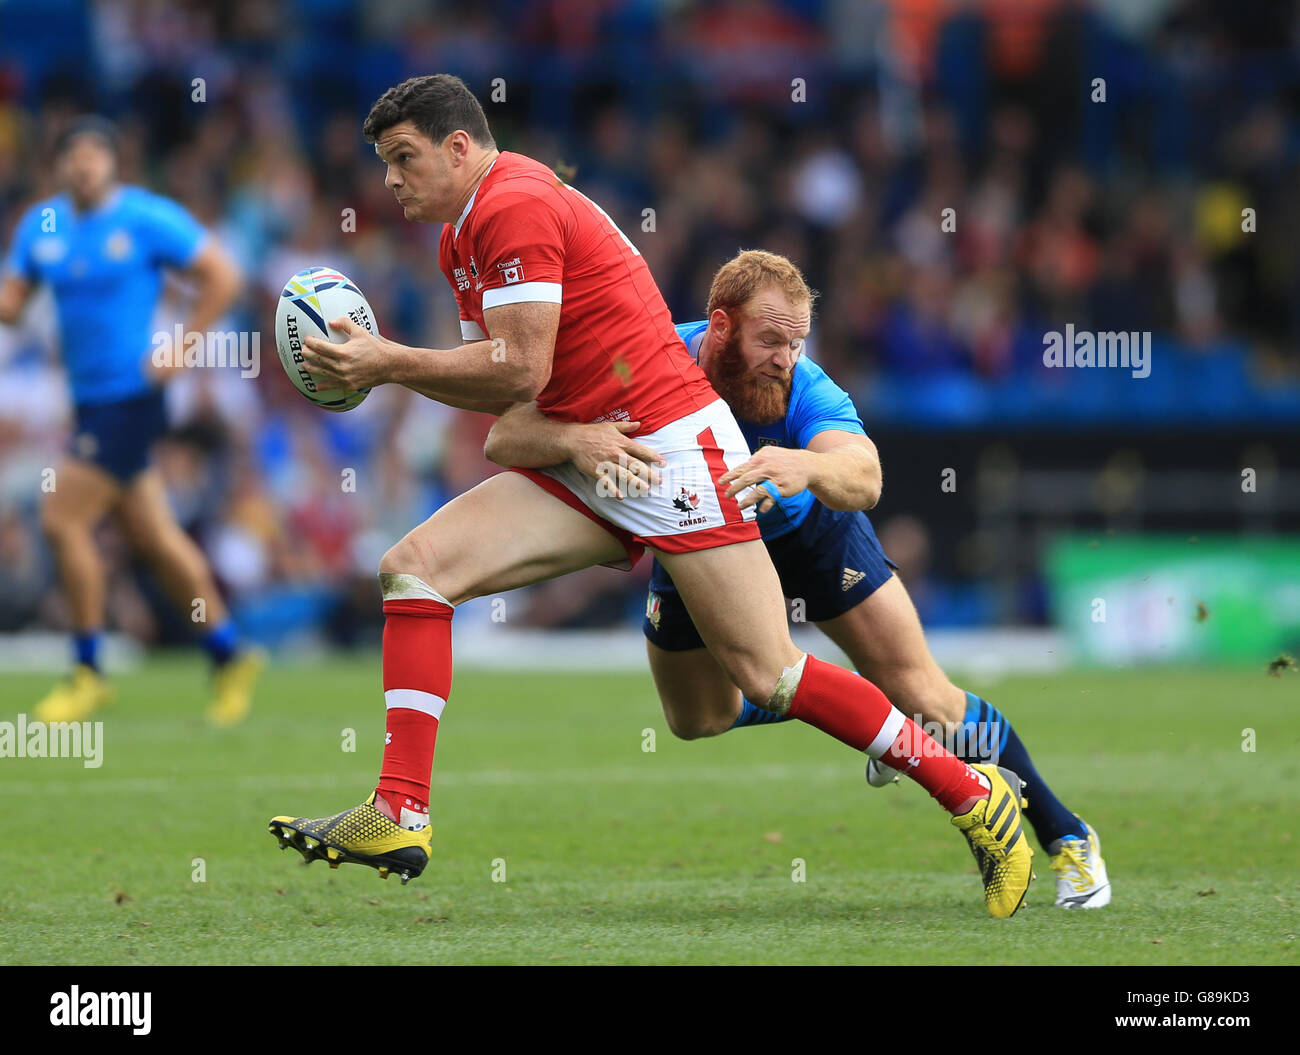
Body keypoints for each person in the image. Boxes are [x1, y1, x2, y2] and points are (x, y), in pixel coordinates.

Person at [268, 75, 1032, 917]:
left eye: (403, 158)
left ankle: (972, 793)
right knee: (414, 569)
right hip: (604, 455)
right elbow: (508, 416)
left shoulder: (512, 200)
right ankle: (399, 811)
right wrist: (572, 439)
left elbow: (516, 368)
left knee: (769, 673)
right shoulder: (462, 238)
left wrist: (385, 361)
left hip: (670, 447)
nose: (390, 181)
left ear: (458, 148)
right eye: (383, 164)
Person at [485, 249, 1110, 910]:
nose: (787, 357)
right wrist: (580, 443)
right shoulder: (650, 359)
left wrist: (806, 470)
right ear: (719, 327)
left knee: (927, 696)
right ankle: (874, 719)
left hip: (811, 539)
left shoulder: (808, 389)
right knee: (696, 718)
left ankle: (1068, 836)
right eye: (770, 340)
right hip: (698, 542)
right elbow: (506, 436)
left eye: (797, 341)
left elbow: (864, 478)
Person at [0, 117, 264, 726]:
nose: (84, 164)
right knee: (154, 537)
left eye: (96, 153)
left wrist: (183, 346)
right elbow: (12, 307)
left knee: (60, 516)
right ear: (58, 166)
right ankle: (229, 653)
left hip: (132, 396)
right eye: (73, 154)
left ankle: (88, 671)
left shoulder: (145, 218)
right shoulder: (41, 226)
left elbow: (221, 275)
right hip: (89, 403)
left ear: (115, 164)